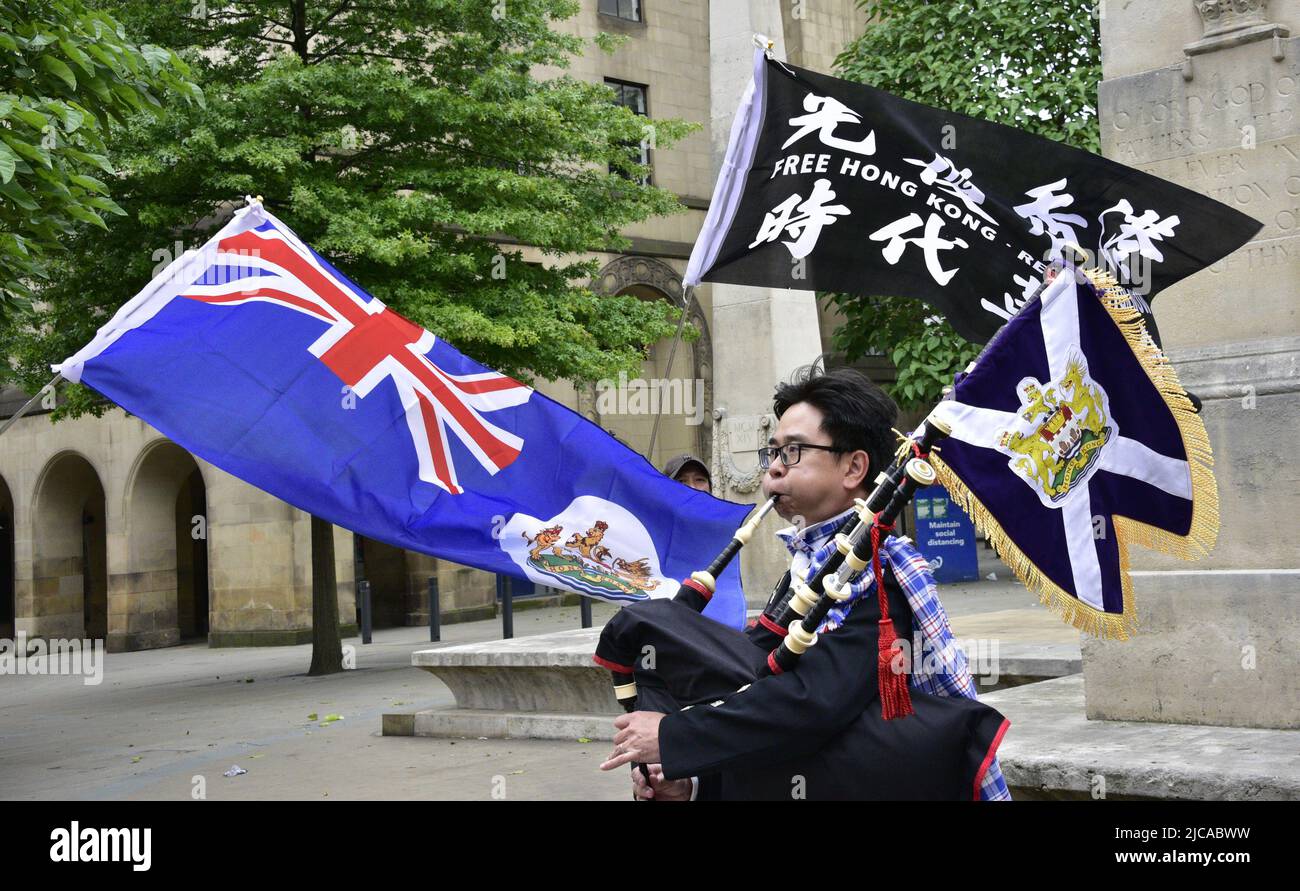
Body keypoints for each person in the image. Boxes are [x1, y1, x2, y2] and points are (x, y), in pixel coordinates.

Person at [597, 363, 1011, 800]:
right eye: (772, 453)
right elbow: (759, 698)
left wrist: (675, 736)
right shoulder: (806, 570)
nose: (774, 470)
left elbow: (813, 705)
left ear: (854, 468)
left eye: (793, 452)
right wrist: (690, 782)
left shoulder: (879, 576)